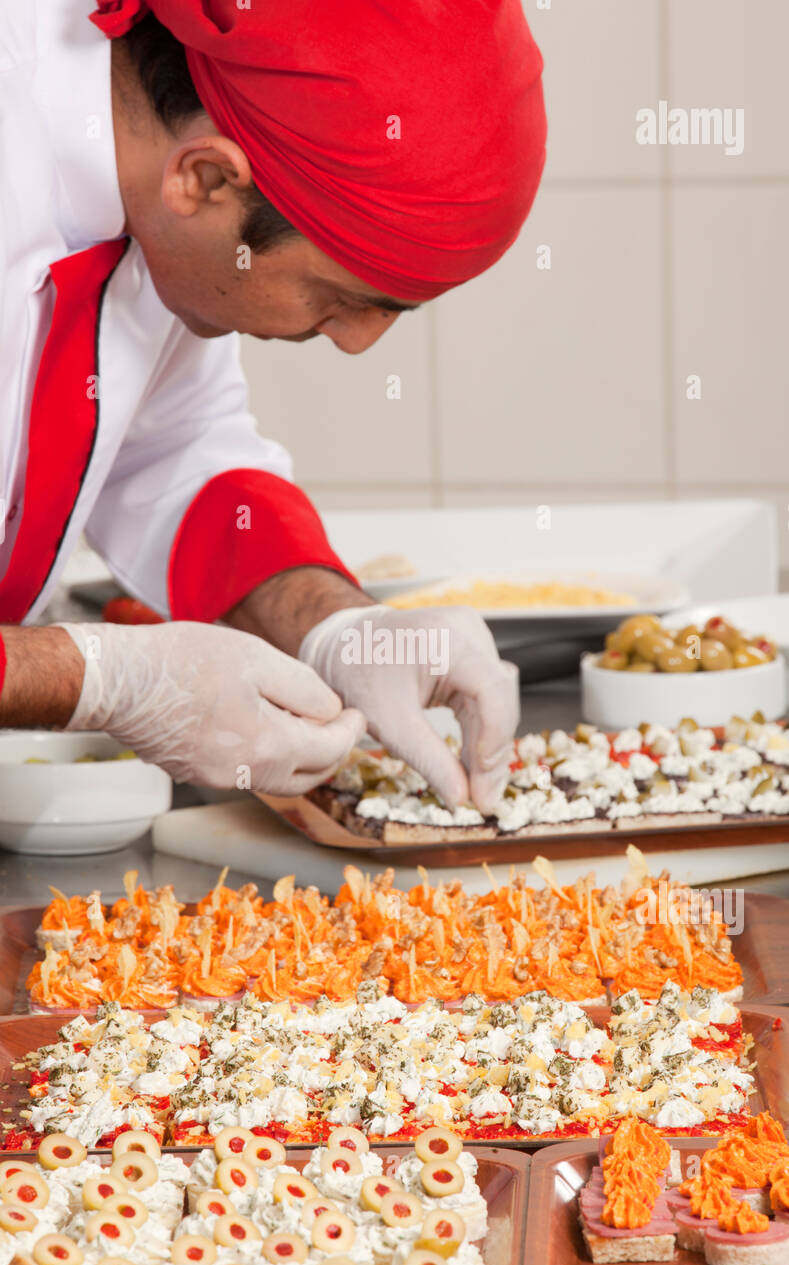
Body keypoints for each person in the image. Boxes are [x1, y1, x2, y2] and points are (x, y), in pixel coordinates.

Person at [0, 0, 546, 811]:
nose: (358, 344)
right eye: (340, 297)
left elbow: (170, 450)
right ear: (208, 178)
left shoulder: (153, 193)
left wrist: (334, 621)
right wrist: (99, 681)